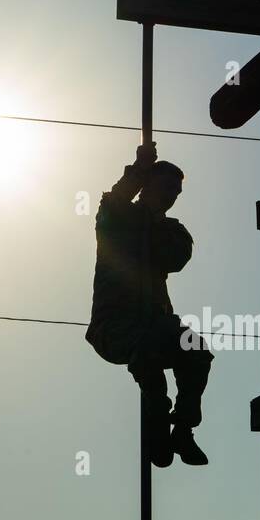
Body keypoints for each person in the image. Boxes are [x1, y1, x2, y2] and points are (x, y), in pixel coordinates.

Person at [86, 141, 213, 466]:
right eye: (166, 186)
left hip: (154, 325)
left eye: (176, 191)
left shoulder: (171, 230)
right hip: (114, 328)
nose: (171, 195)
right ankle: (157, 417)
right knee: (147, 350)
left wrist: (150, 225)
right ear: (148, 186)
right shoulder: (118, 217)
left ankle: (182, 429)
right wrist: (140, 168)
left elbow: (175, 257)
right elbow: (114, 203)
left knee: (195, 351)